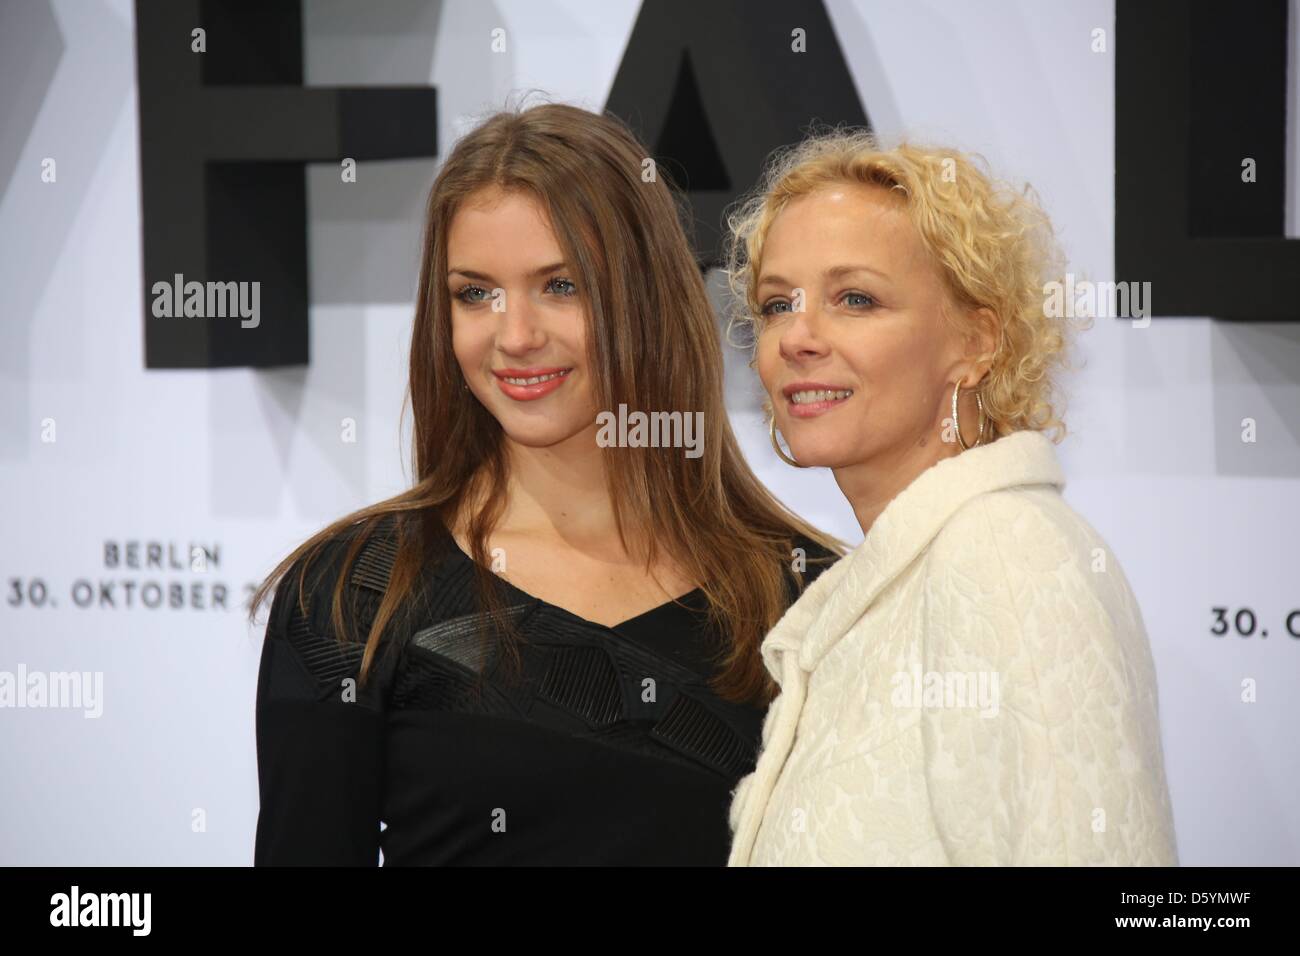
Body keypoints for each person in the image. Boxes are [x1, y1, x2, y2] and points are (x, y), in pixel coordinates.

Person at [248, 102, 844, 866]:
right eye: (474, 293)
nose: (515, 335)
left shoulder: (806, 600)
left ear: (647, 297)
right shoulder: (355, 594)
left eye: (560, 286)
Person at [722, 130, 1179, 865]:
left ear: (977, 341)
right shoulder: (891, 582)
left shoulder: (1005, 552)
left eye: (856, 299)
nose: (797, 337)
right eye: (778, 304)